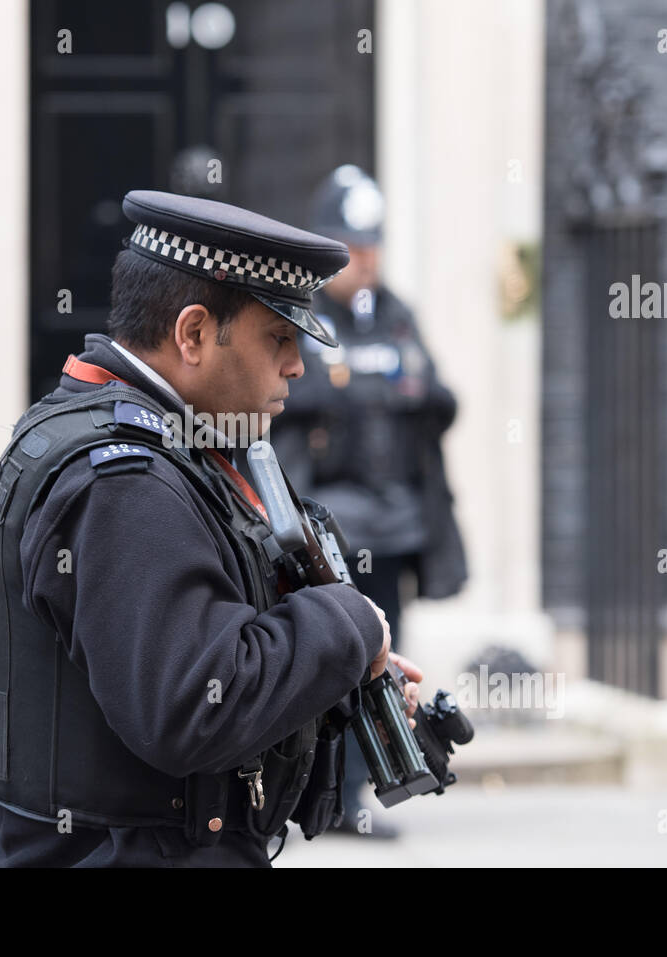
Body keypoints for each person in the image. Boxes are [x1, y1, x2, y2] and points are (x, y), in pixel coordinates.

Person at [0, 189, 426, 867]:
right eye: (278, 337)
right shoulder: (124, 482)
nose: (297, 366)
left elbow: (211, 641)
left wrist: (345, 672)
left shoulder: (172, 445)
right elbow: (192, 704)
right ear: (191, 334)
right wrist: (351, 623)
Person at [270, 166, 467, 839]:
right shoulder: (302, 317)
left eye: (373, 247)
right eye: (352, 246)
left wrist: (375, 384)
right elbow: (299, 400)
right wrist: (379, 384)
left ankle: (362, 792)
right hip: (328, 526)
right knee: (325, 663)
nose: (366, 261)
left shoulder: (397, 313)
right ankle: (311, 796)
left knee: (382, 663)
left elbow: (438, 397)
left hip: (396, 524)